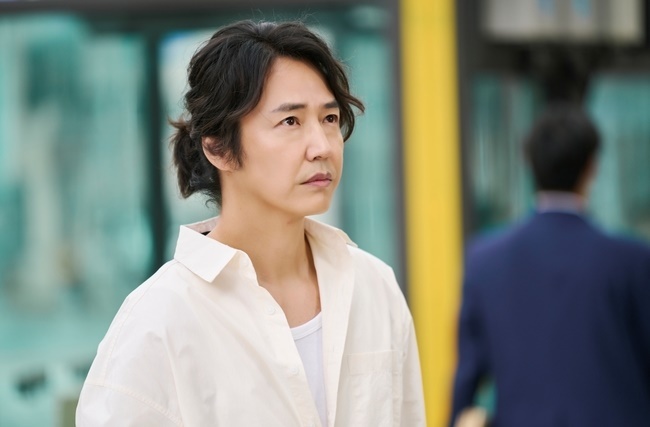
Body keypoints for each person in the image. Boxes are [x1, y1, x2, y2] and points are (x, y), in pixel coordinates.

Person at [76, 19, 426, 427]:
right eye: (290, 122)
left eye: (330, 119)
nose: (322, 147)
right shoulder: (159, 321)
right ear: (219, 148)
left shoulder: (374, 286)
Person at [450, 104, 650, 427]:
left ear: (528, 164)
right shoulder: (632, 261)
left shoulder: (485, 261)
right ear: (592, 168)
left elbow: (467, 377)